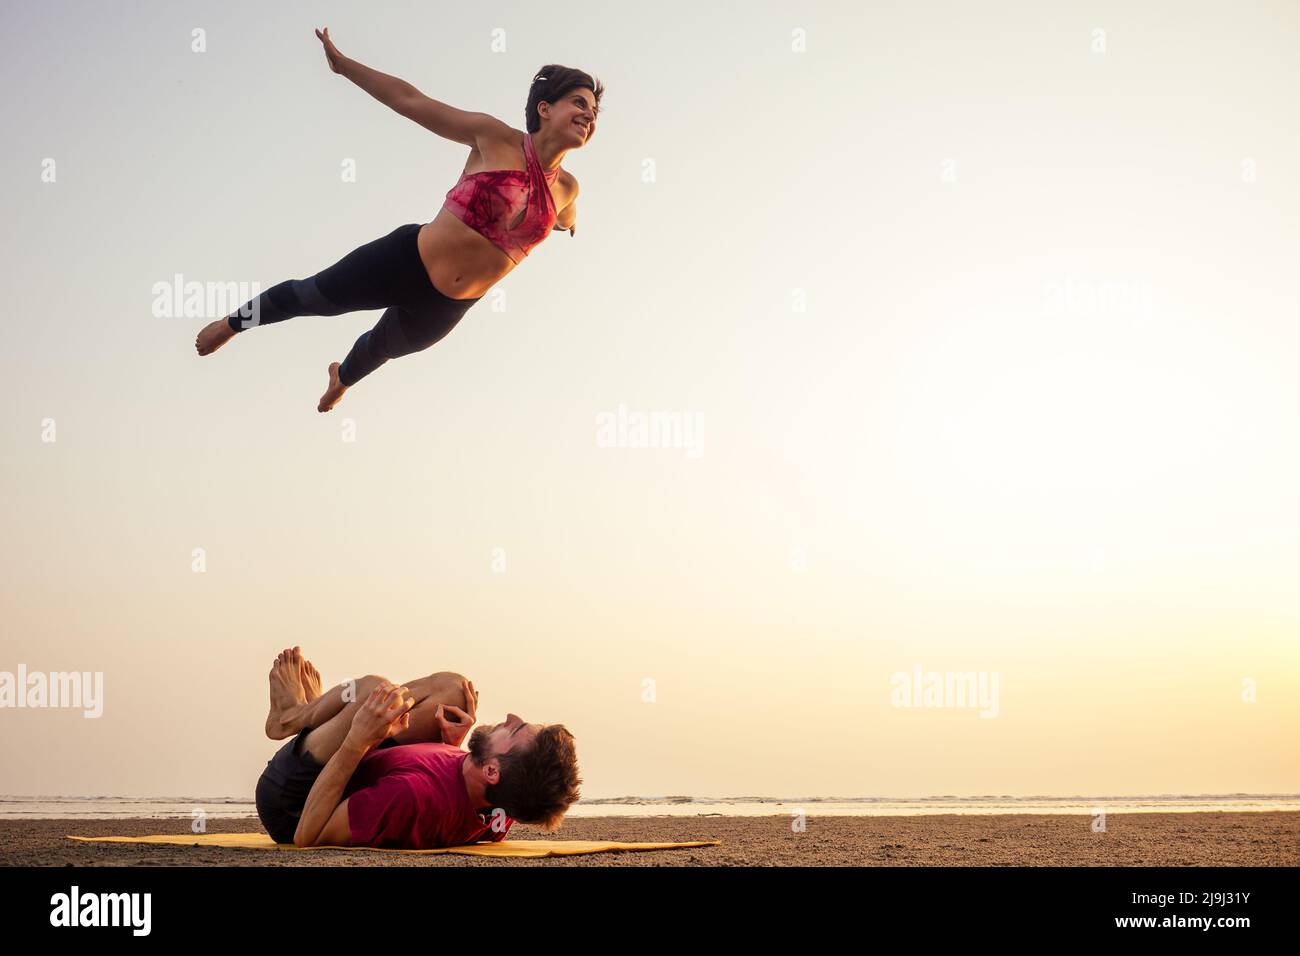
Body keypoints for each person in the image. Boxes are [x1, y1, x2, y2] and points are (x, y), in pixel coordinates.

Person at [195, 27, 604, 412]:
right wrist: (344, 66)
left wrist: (568, 224)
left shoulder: (568, 190)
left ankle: (340, 379)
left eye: (594, 109)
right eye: (580, 103)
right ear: (545, 108)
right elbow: (410, 101)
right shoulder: (493, 136)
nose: (590, 114)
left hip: (445, 308)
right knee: (310, 298)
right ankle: (233, 324)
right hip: (404, 261)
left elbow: (564, 218)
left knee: (377, 351)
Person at [256, 646, 582, 848]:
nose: (512, 716)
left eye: (516, 729)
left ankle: (292, 716)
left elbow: (307, 836)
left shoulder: (410, 797)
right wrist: (449, 746)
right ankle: (324, 713)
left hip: (296, 798)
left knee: (373, 689)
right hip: (373, 763)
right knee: (455, 689)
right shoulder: (502, 805)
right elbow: (471, 817)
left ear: (492, 770)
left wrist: (357, 739)